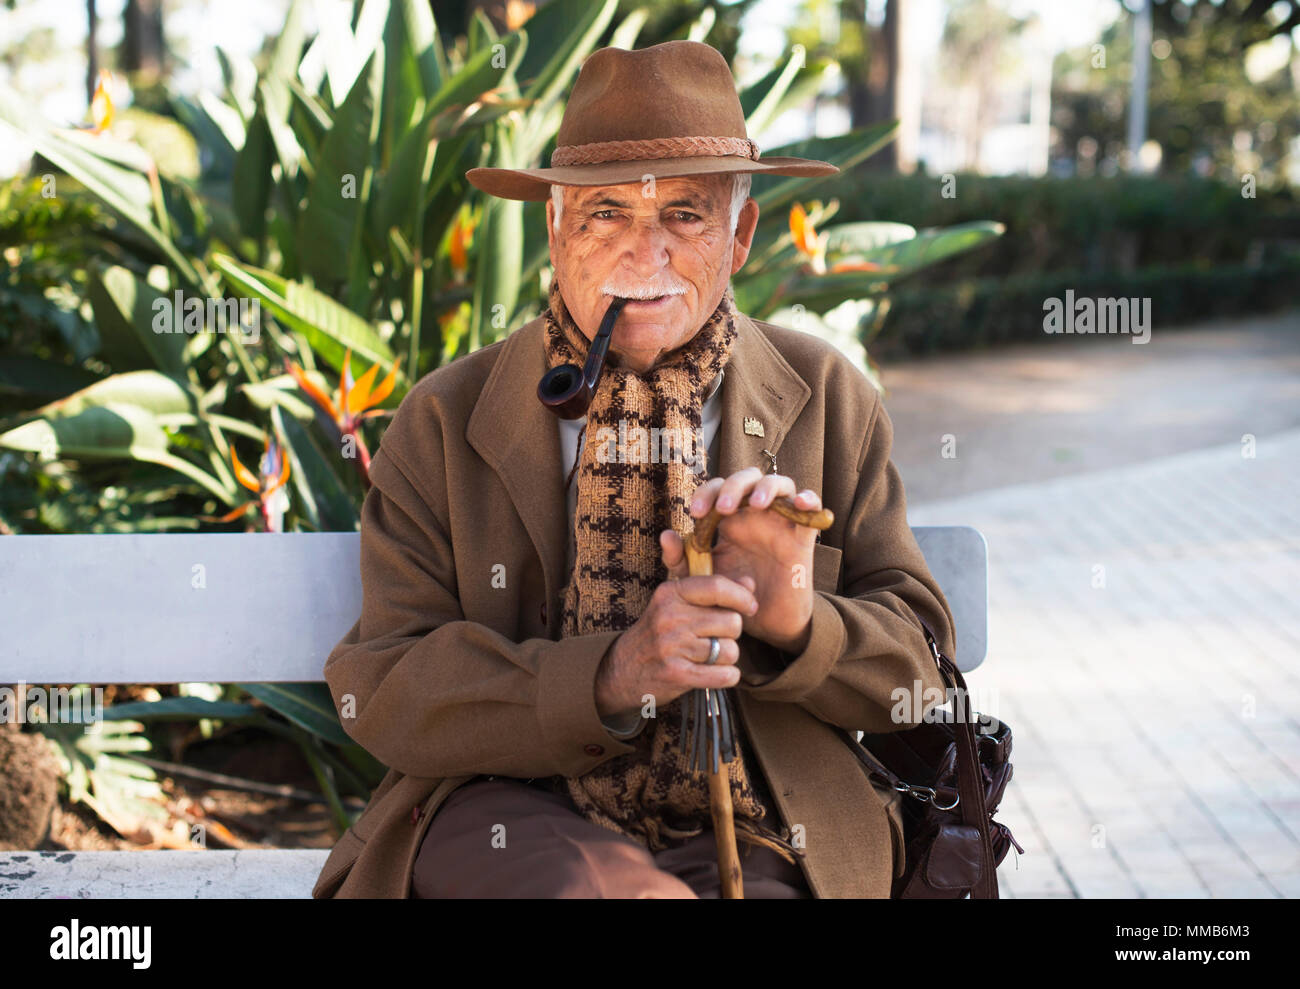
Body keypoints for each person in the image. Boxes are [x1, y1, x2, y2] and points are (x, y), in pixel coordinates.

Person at [311, 39, 955, 900]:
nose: (641, 254)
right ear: (554, 229)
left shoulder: (832, 399)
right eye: (605, 213)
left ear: (740, 234)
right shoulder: (443, 417)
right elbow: (383, 688)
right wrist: (613, 674)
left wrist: (800, 625)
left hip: (762, 814)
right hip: (503, 808)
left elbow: (919, 677)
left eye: (685, 214)